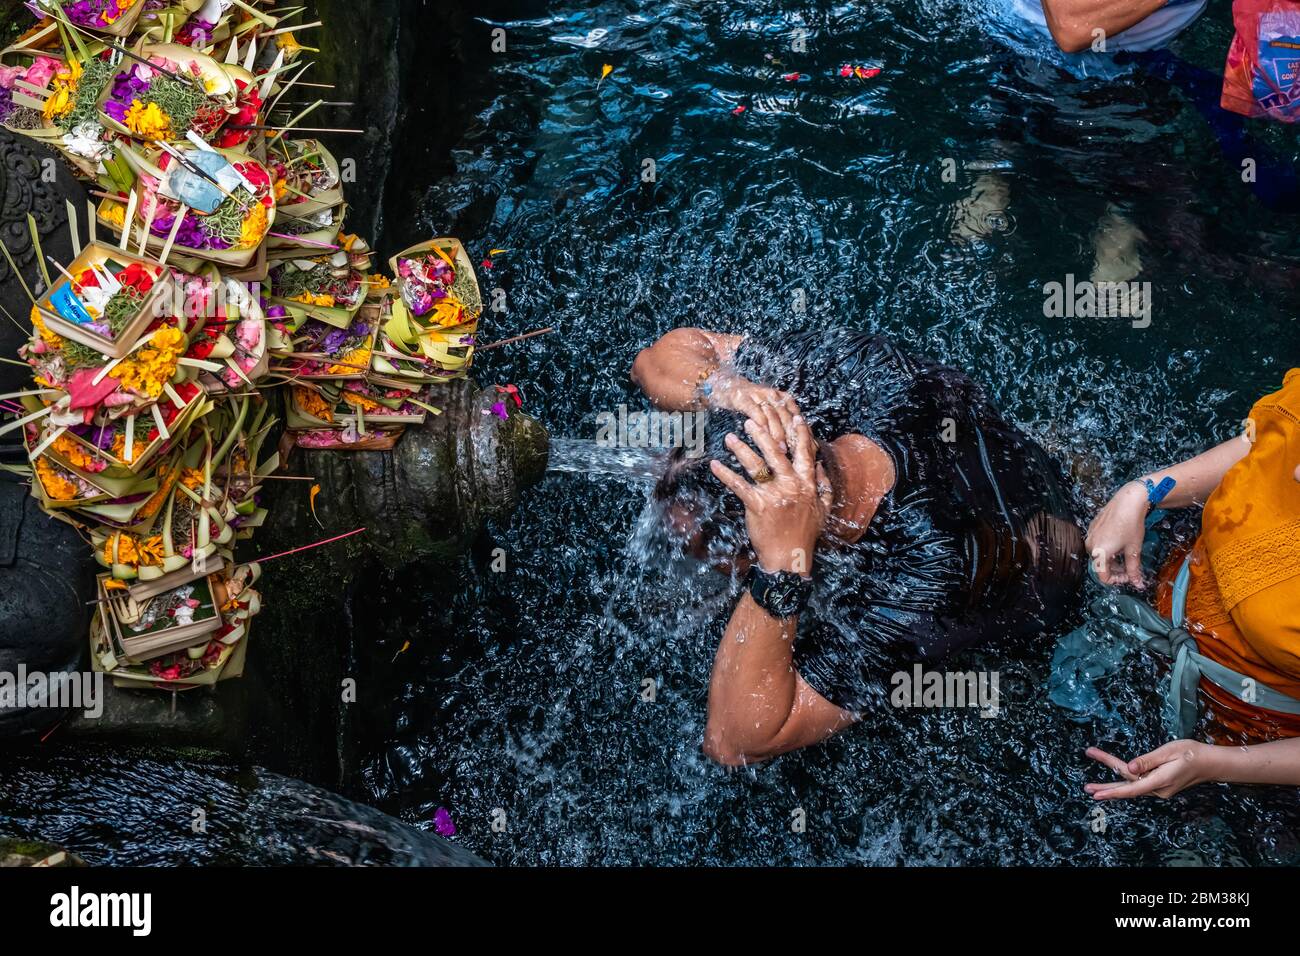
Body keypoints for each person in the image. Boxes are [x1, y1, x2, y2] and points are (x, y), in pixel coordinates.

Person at [632, 327, 1086, 765]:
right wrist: (724, 387)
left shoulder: (919, 576)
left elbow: (733, 739)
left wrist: (781, 570)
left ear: (773, 527)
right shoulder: (861, 376)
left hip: (1050, 598)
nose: (697, 557)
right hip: (1031, 473)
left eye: (712, 542)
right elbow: (655, 358)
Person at [1084, 368, 1300, 799]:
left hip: (1246, 735)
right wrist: (1143, 493)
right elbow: (1261, 446)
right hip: (1161, 610)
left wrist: (1213, 765)